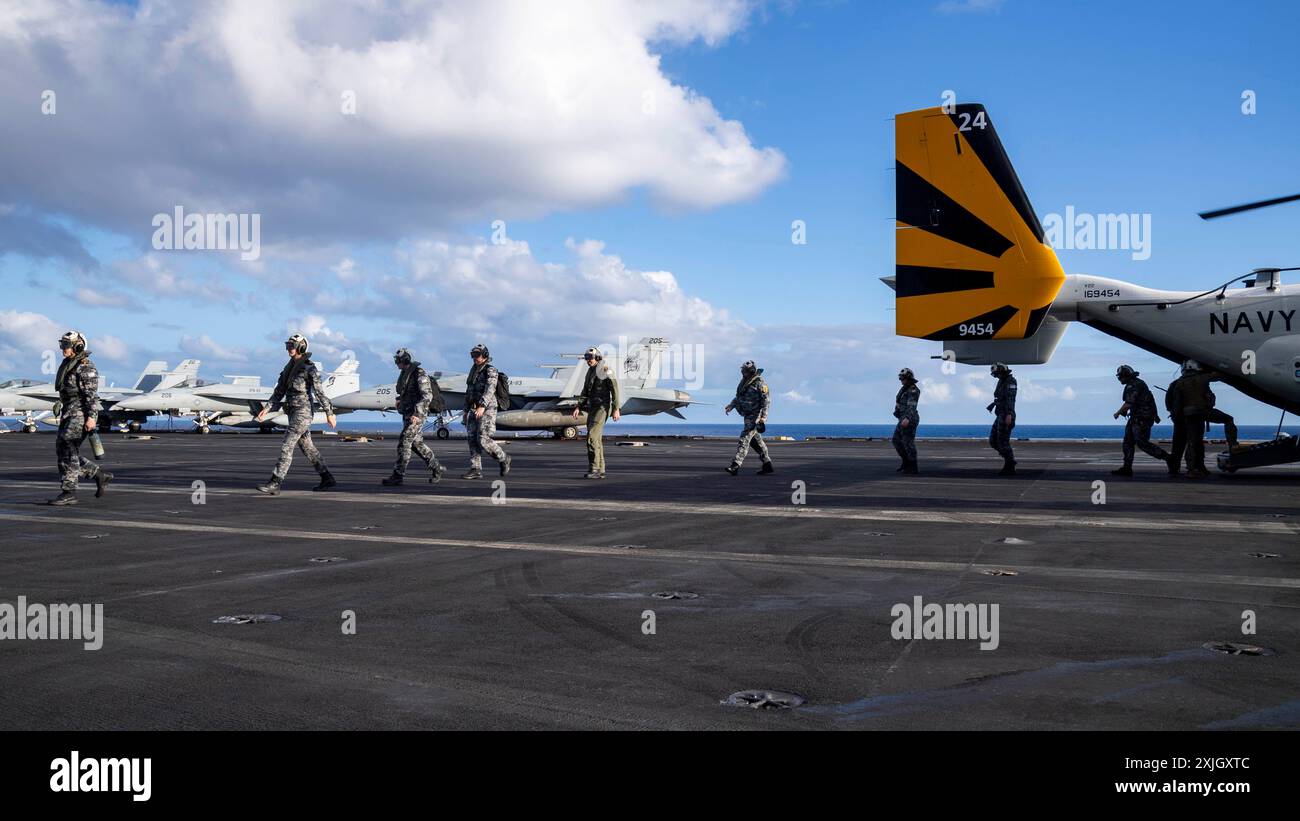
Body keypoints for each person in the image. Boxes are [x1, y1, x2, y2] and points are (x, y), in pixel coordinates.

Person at [255, 334, 337, 495]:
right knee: (308, 448)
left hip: (303, 413)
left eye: (292, 346)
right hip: (292, 411)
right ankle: (327, 477)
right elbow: (280, 390)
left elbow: (319, 393)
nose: (289, 349)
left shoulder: (309, 368)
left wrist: (329, 413)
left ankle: (276, 481)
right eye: (287, 346)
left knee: (287, 445)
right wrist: (268, 407)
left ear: (301, 347)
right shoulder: (288, 368)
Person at [48, 330, 111, 505]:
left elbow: (91, 395)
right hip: (68, 412)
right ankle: (98, 475)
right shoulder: (69, 364)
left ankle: (69, 492)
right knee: (64, 450)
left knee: (68, 449)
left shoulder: (85, 367)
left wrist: (91, 417)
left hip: (80, 414)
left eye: (66, 346)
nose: (63, 349)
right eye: (62, 345)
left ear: (78, 346)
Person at [382, 348, 445, 486]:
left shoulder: (419, 373)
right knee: (416, 444)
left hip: (417, 415)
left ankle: (398, 475)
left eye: (398, 360)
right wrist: (399, 399)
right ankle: (437, 467)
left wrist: (417, 413)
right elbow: (405, 391)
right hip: (408, 414)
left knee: (404, 441)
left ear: (405, 359)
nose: (396, 362)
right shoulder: (405, 373)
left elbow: (427, 395)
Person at [461, 344, 511, 479]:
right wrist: (465, 411)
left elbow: (490, 389)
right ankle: (475, 469)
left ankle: (503, 458)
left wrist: (482, 406)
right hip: (474, 408)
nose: (474, 358)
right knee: (472, 439)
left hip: (487, 408)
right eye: (473, 355)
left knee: (483, 439)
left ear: (485, 355)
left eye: (477, 355)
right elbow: (469, 392)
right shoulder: (474, 371)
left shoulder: (491, 370)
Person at [1111, 365, 1169, 476]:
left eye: (1120, 377)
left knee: (1142, 443)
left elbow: (1129, 402)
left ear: (1126, 376)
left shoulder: (1134, 385)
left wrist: (1118, 412)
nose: (1119, 379)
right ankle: (1127, 468)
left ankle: (1168, 458)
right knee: (1128, 442)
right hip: (1137, 417)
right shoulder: (1136, 383)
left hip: (1142, 418)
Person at [572, 347, 621, 478]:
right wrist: (578, 406)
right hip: (592, 407)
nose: (588, 361)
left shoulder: (606, 370)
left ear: (598, 358)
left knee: (592, 437)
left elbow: (615, 388)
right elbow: (585, 391)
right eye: (586, 358)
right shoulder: (590, 371)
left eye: (590, 358)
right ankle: (601, 469)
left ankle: (594, 469)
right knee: (597, 440)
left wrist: (616, 408)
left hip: (602, 407)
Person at [724, 360, 773, 475]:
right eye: (742, 370)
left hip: (755, 416)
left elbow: (766, 402)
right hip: (747, 414)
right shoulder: (745, 382)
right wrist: (731, 405)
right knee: (755, 441)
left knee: (745, 438)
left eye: (745, 371)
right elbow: (739, 396)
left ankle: (735, 465)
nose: (742, 372)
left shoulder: (760, 384)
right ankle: (767, 463)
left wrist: (763, 418)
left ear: (751, 371)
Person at [1176, 360, 1220, 479]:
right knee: (1196, 441)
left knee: (1193, 441)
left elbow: (1175, 403)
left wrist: (1177, 416)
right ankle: (1194, 468)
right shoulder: (1203, 378)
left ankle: (1196, 467)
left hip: (1187, 415)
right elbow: (1217, 375)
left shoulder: (1179, 383)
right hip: (1201, 413)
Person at [987, 362, 1017, 475]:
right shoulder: (1002, 381)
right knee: (993, 441)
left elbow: (1010, 398)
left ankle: (1010, 464)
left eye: (997, 373)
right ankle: (1009, 460)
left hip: (1006, 415)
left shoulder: (1010, 381)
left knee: (1003, 442)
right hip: (1001, 414)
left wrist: (1009, 414)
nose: (996, 376)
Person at [892, 367, 920, 474]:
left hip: (910, 418)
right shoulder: (904, 389)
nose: (901, 380)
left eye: (902, 378)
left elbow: (912, 406)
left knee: (908, 443)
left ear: (908, 378)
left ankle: (913, 467)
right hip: (902, 418)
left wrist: (907, 418)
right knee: (896, 440)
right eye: (900, 378)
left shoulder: (913, 390)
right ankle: (906, 462)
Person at [1164, 374, 1186, 477]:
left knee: (1177, 445)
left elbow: (1168, 401)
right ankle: (1194, 467)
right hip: (1194, 418)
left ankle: (1174, 467)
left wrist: (1172, 412)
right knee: (1194, 443)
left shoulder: (1174, 384)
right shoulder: (1200, 381)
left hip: (1178, 418)